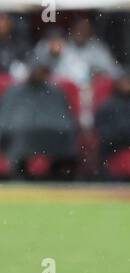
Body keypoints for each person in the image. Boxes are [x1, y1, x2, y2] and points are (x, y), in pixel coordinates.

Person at [0, 50, 78, 179]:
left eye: (44, 71)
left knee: (64, 138)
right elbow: (5, 121)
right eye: (39, 70)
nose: (41, 74)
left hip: (51, 136)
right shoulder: (15, 92)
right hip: (19, 136)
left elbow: (65, 121)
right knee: (21, 140)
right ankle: (19, 175)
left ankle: (59, 176)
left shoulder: (55, 93)